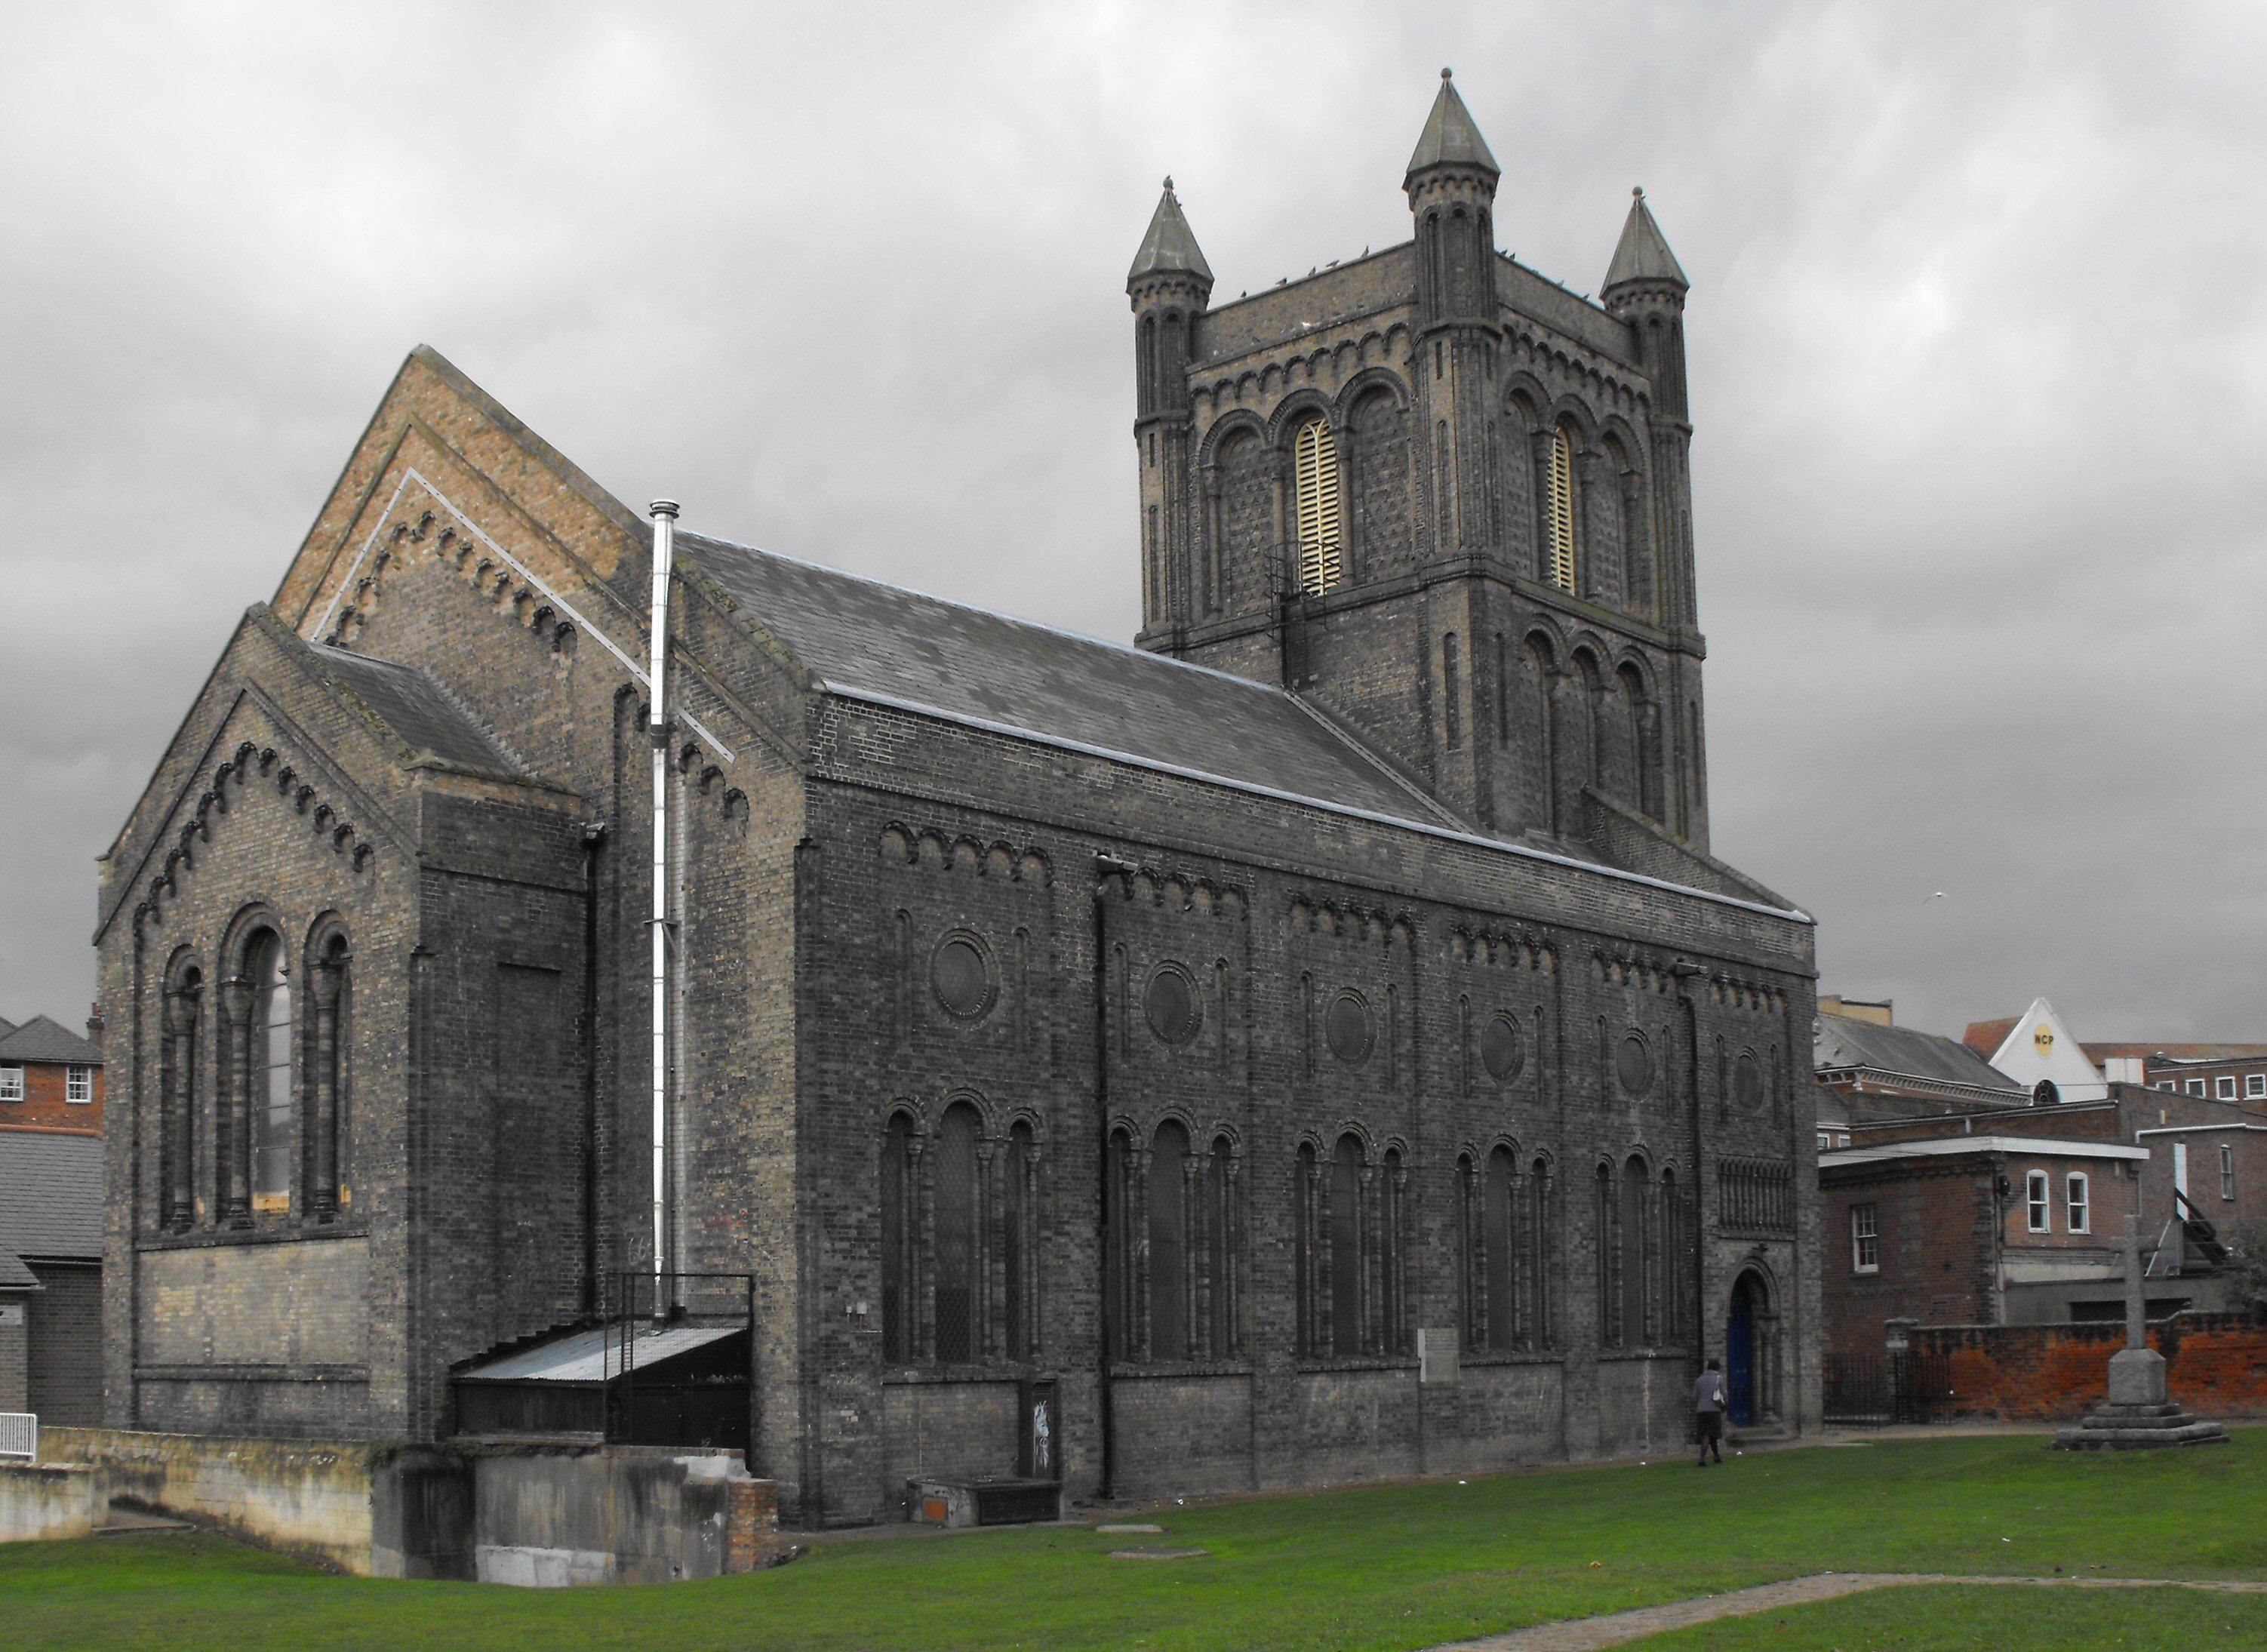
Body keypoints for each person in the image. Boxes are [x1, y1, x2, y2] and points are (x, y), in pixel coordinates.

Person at [1694, 1358, 1727, 1467]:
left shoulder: (1699, 1380)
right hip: (1713, 1409)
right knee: (1708, 1434)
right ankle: (1701, 1459)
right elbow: (1724, 1394)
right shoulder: (1718, 1378)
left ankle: (1717, 1456)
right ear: (1717, 1367)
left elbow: (1695, 1397)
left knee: (1709, 1434)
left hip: (1701, 1410)